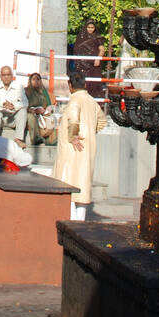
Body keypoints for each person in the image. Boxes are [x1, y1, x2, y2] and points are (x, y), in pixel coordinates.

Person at [54, 66, 107, 219]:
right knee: (82, 184)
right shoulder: (92, 101)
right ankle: (80, 221)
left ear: (70, 86)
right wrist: (90, 131)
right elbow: (102, 121)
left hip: (73, 148)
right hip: (88, 147)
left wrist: (73, 136)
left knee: (69, 184)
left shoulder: (75, 100)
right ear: (85, 85)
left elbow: (73, 118)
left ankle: (70, 223)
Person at [0, 64, 28, 141]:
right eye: (4, 75)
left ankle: (19, 139)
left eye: (8, 75)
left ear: (12, 76)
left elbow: (25, 102)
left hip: (13, 118)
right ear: (0, 76)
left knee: (23, 111)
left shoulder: (18, 86)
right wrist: (3, 104)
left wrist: (13, 106)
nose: (6, 77)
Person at [72, 18, 105, 98]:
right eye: (88, 27)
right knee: (81, 82)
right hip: (81, 64)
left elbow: (102, 49)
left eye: (92, 28)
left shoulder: (97, 37)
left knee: (93, 84)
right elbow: (77, 49)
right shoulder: (81, 36)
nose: (90, 29)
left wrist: (98, 58)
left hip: (93, 64)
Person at [24, 71, 57, 150]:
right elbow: (22, 105)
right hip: (30, 113)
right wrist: (32, 110)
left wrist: (44, 111)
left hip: (43, 114)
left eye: (38, 79)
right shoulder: (25, 91)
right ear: (30, 81)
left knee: (51, 118)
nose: (36, 81)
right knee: (31, 117)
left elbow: (50, 106)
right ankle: (36, 140)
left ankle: (52, 142)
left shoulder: (44, 92)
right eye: (33, 79)